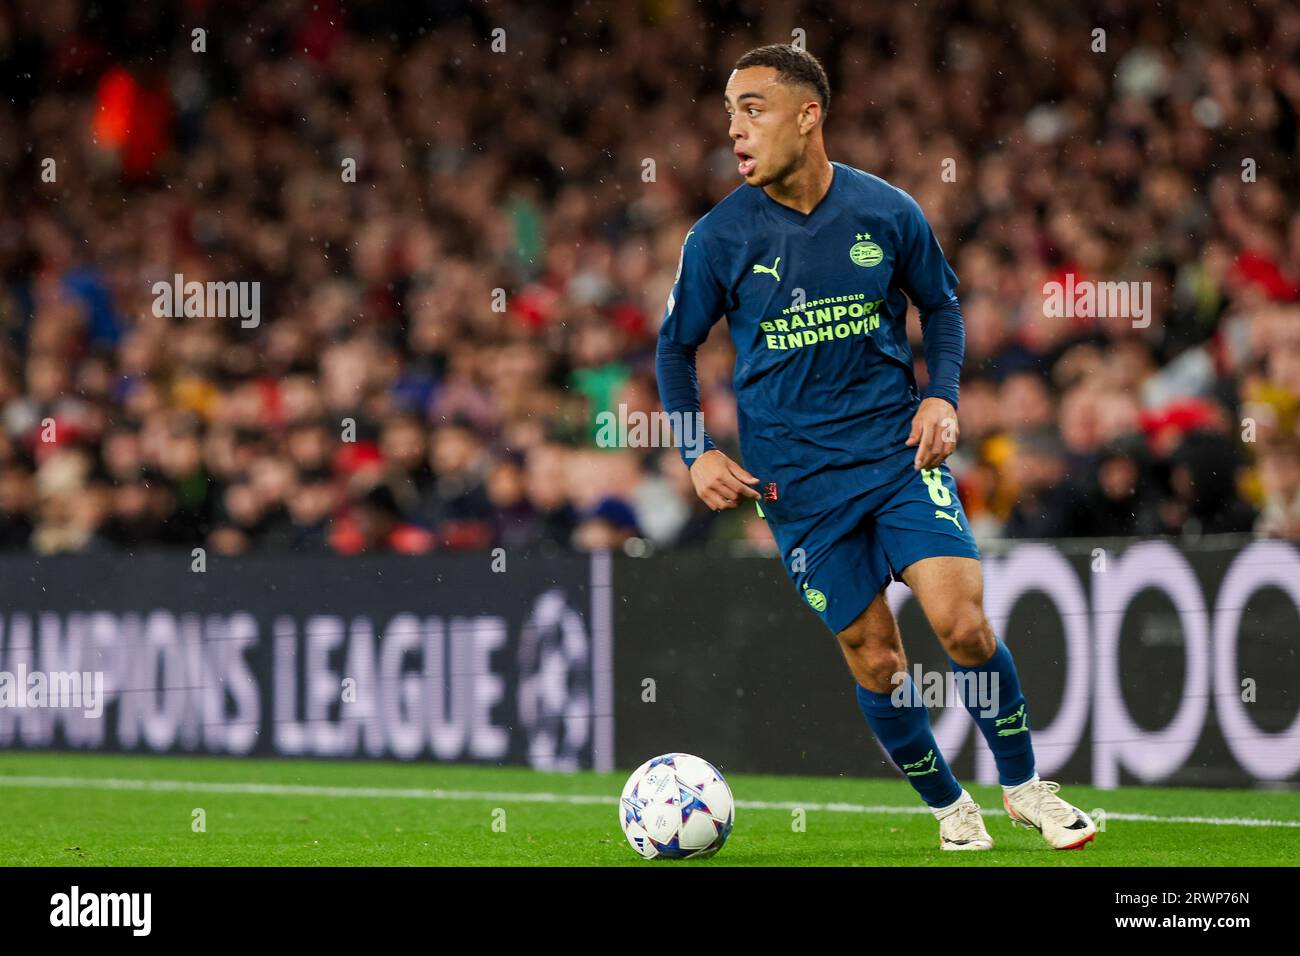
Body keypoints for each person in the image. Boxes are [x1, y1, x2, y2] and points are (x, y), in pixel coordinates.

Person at [656, 44, 1095, 851]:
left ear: (807, 115)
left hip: (898, 457)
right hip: (798, 488)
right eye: (728, 113)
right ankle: (949, 806)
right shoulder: (718, 238)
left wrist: (942, 395)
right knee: (877, 659)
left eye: (751, 109)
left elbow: (945, 308)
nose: (733, 130)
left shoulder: (886, 211)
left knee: (962, 624)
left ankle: (1028, 787)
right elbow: (674, 351)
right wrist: (695, 451)